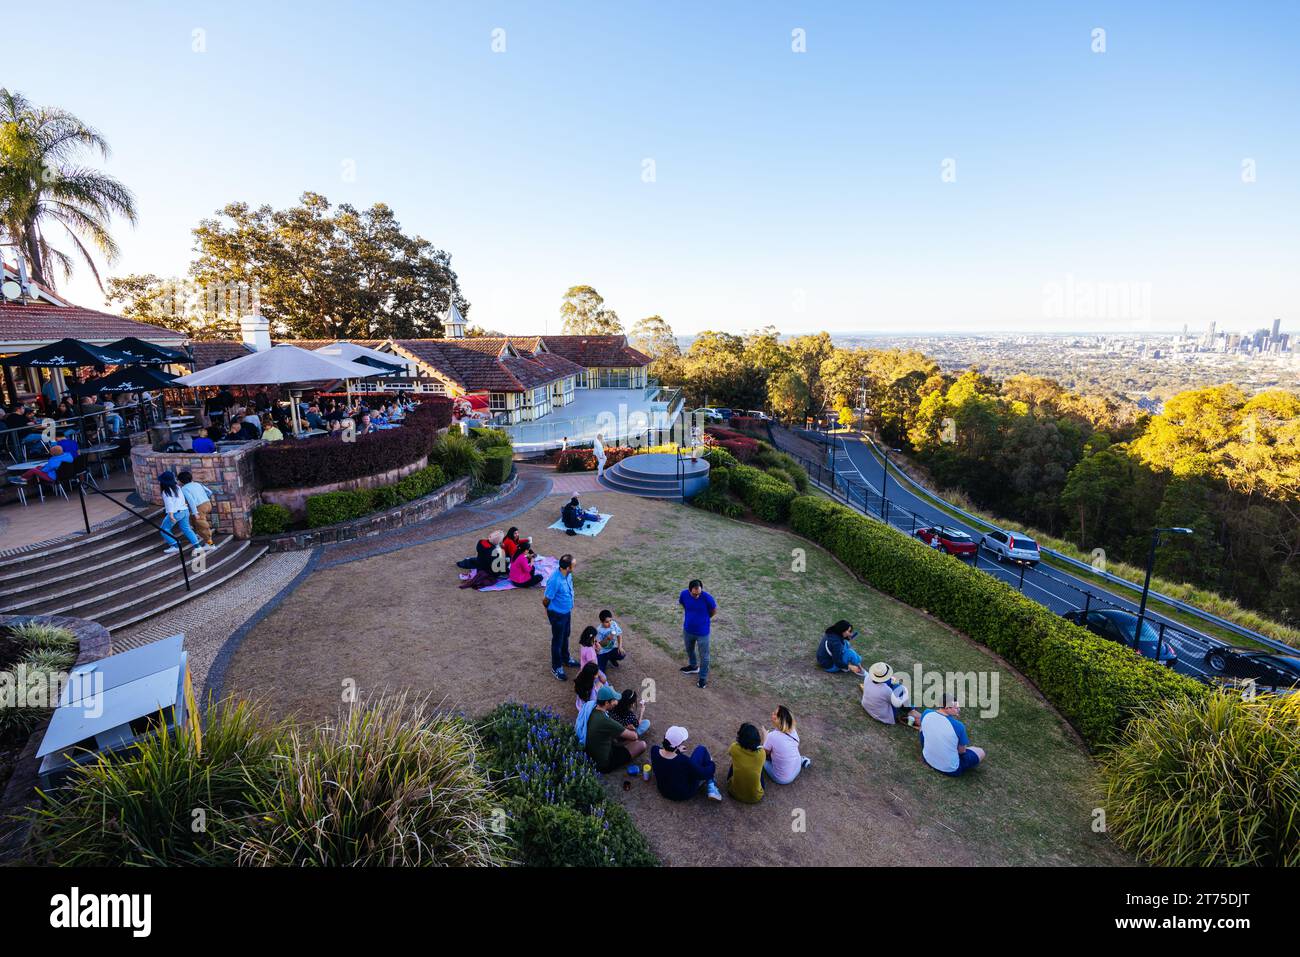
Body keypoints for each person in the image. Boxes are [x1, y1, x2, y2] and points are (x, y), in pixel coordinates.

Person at [649, 726, 723, 802]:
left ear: (665, 737)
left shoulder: (654, 750)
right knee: (701, 749)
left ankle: (711, 785)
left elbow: (667, 761)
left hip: (663, 789)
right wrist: (711, 764)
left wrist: (677, 751)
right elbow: (703, 774)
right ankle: (711, 785)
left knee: (690, 767)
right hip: (684, 793)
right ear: (679, 744)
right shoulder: (683, 761)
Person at [584, 685, 647, 772]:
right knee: (641, 744)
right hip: (604, 763)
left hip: (594, 752)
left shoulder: (592, 709)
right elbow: (634, 736)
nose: (616, 702)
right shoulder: (606, 721)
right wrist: (631, 728)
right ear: (606, 703)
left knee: (627, 740)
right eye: (614, 700)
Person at [919, 694, 986, 776]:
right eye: (956, 707)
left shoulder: (926, 713)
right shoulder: (958, 726)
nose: (959, 709)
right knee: (980, 751)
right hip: (951, 770)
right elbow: (962, 751)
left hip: (927, 759)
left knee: (923, 730)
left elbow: (922, 730)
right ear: (947, 708)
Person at [542, 553, 579, 680]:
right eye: (573, 565)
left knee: (566, 635)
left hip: (566, 612)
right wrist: (552, 612)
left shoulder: (568, 575)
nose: (575, 567)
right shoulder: (555, 580)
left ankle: (566, 658)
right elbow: (546, 600)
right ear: (567, 567)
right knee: (557, 640)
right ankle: (556, 667)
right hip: (557, 614)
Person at [678, 579, 717, 689]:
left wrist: (705, 619)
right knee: (689, 649)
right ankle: (693, 666)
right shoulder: (684, 594)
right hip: (688, 630)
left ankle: (702, 678)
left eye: (699, 593)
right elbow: (683, 604)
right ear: (689, 590)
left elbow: (714, 610)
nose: (697, 596)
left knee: (704, 657)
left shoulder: (707, 598)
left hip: (703, 633)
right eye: (694, 594)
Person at [763, 705, 812, 785]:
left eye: (775, 714)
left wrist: (765, 736)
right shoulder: (793, 730)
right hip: (797, 768)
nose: (772, 713)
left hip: (783, 779)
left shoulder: (772, 736)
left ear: (778, 720)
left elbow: (765, 753)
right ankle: (802, 760)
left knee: (761, 757)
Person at [158, 470, 204, 555]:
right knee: (187, 529)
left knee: (164, 529)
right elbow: (182, 499)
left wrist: (171, 516)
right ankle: (198, 547)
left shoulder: (166, 492)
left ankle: (175, 546)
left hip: (176, 513)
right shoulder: (177, 487)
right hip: (185, 511)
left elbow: (169, 504)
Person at [861, 662, 920, 726]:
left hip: (867, 706)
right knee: (900, 689)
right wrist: (905, 691)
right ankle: (911, 710)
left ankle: (910, 708)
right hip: (884, 717)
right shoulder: (886, 690)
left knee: (895, 686)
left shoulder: (867, 677)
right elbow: (897, 703)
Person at [727, 723, 766, 803]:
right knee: (759, 768)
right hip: (756, 797)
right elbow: (761, 749)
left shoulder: (734, 747)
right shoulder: (762, 753)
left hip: (733, 792)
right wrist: (765, 738)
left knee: (734, 763)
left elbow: (729, 753)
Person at [178, 469, 216, 546]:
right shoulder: (197, 484)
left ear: (181, 481)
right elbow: (209, 492)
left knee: (202, 526)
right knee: (193, 520)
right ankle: (198, 534)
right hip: (207, 503)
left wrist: (195, 512)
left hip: (199, 507)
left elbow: (191, 501)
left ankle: (210, 544)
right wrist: (203, 498)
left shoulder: (184, 488)